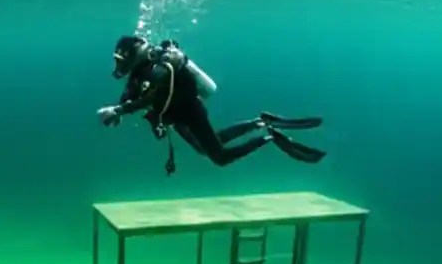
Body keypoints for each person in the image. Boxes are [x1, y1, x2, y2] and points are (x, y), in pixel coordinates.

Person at [96, 35, 326, 174]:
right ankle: (260, 122)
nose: (120, 65)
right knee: (204, 147)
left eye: (121, 59)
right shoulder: (138, 75)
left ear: (133, 54)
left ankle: (270, 137)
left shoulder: (162, 65)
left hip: (191, 111)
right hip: (177, 118)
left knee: (220, 158)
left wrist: (119, 110)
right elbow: (131, 95)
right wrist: (118, 112)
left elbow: (150, 96)